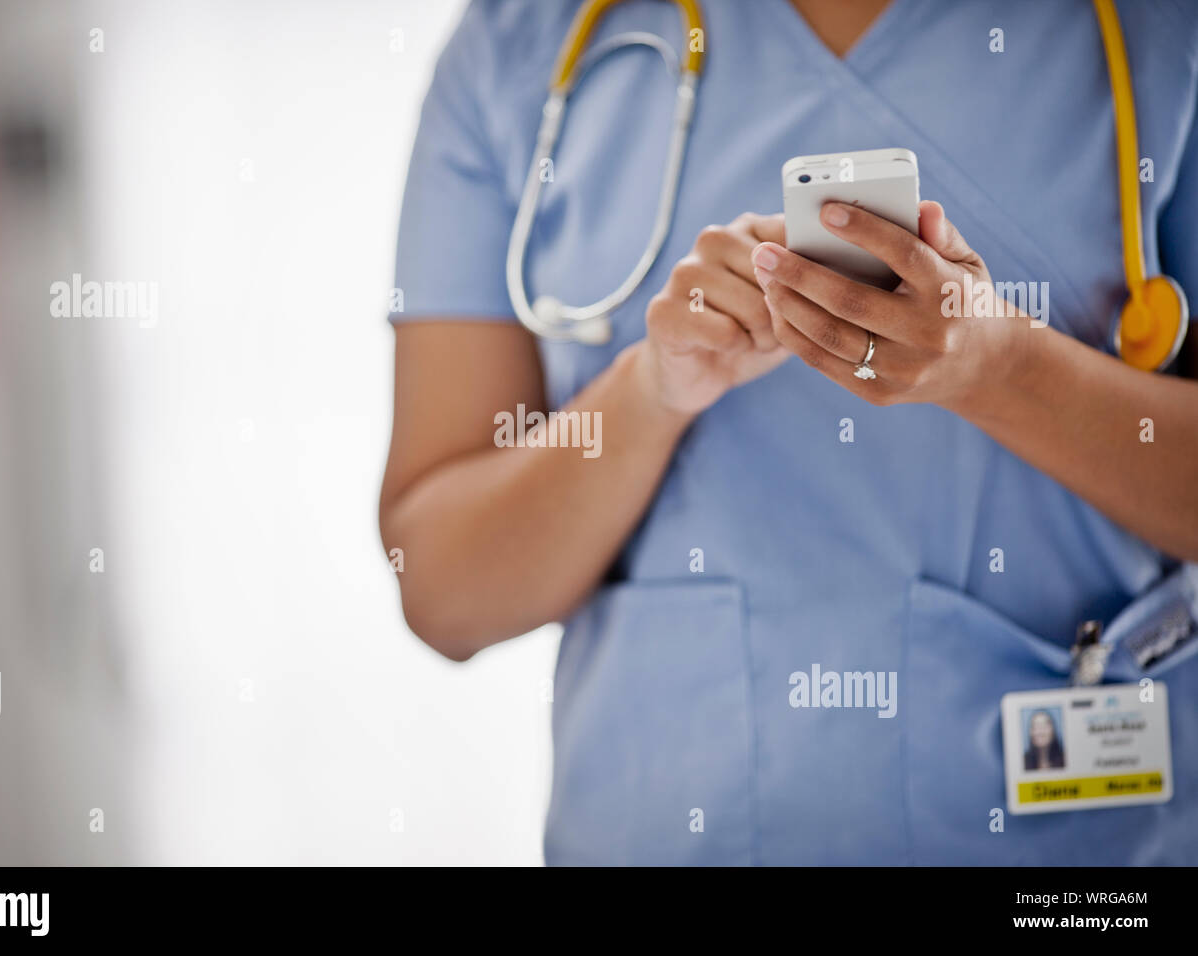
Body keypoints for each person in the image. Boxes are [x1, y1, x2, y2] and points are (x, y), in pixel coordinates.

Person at [380, 0, 1198, 864]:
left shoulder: (1162, 31)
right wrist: (653, 390)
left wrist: (1003, 368)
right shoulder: (519, 43)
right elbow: (444, 588)